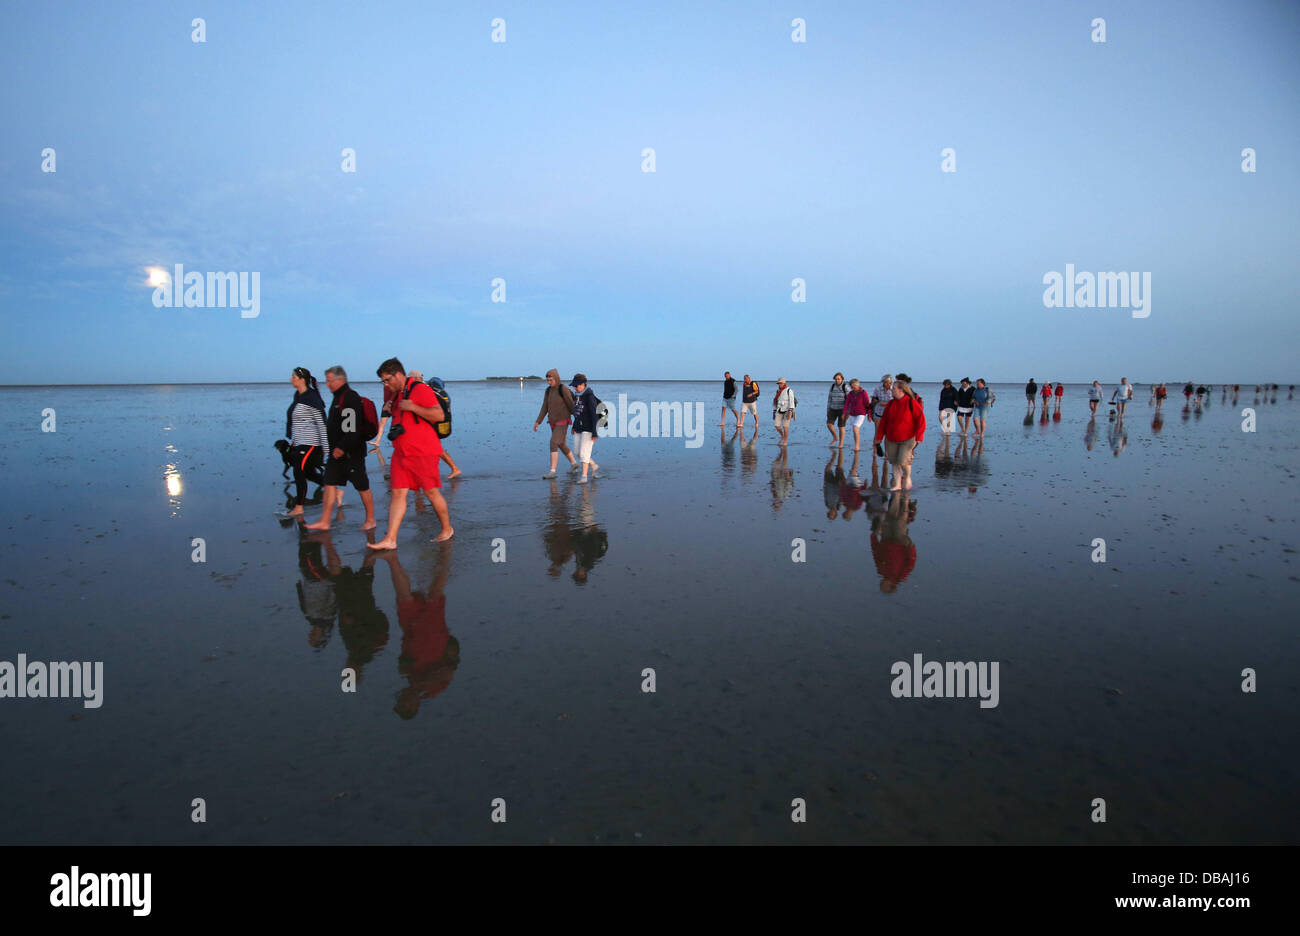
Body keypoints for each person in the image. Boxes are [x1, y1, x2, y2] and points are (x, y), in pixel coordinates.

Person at [368, 358, 453, 548]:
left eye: (387, 380)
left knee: (431, 492)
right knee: (398, 493)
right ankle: (390, 539)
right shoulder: (398, 394)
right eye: (383, 382)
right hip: (401, 452)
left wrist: (413, 407)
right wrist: (391, 407)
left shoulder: (420, 389)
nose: (386, 384)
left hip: (422, 451)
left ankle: (447, 529)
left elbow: (439, 415)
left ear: (398, 374)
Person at [304, 365, 376, 531]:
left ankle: (370, 519)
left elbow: (352, 429)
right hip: (336, 453)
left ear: (340, 380)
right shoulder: (338, 397)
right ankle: (325, 521)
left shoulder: (349, 397)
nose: (327, 384)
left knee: (362, 486)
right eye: (326, 381)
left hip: (351, 453)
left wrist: (342, 448)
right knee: (329, 483)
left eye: (330, 381)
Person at [283, 367, 329, 517]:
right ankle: (332, 490)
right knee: (309, 473)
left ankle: (299, 507)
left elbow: (322, 423)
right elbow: (300, 423)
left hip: (312, 444)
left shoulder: (311, 397)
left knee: (299, 471)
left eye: (293, 377)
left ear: (302, 379)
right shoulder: (298, 396)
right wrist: (294, 440)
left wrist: (326, 449)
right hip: (301, 442)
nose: (291, 379)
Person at [873, 374, 926, 491]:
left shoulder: (911, 402)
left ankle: (907, 477)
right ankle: (897, 484)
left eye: (894, 388)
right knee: (894, 461)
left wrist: (919, 437)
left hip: (908, 438)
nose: (891, 390)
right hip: (891, 438)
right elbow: (883, 423)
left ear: (901, 390)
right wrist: (879, 437)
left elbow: (921, 420)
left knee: (903, 461)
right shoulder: (891, 404)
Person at [409, 370, 461, 479]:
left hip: (431, 423)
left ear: (414, 378)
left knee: (433, 448)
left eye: (409, 378)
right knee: (432, 447)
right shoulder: (438, 391)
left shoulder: (423, 389)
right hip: (440, 423)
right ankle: (452, 468)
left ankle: (453, 468)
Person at [533, 368, 580, 478]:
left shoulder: (563, 389)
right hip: (552, 421)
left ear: (556, 378)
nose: (549, 382)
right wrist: (538, 421)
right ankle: (574, 464)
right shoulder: (548, 390)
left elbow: (571, 405)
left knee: (553, 442)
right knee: (561, 444)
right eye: (548, 380)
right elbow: (545, 406)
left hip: (563, 421)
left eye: (551, 380)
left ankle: (552, 472)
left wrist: (578, 421)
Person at [569, 373, 602, 483]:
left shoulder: (589, 397)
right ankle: (594, 465)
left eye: (576, 385)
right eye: (574, 386)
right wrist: (574, 426)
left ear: (583, 384)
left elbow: (595, 415)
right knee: (577, 452)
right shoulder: (577, 396)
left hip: (589, 428)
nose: (574, 387)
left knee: (584, 453)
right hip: (579, 427)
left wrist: (595, 433)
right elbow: (577, 413)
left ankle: (584, 477)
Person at [844, 378, 870, 450]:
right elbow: (847, 404)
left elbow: (867, 404)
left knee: (855, 427)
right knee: (854, 429)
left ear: (857, 385)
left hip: (861, 413)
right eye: (851, 387)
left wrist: (869, 415)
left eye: (853, 386)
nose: (852, 388)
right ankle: (856, 444)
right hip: (852, 414)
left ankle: (857, 446)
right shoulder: (850, 394)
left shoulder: (863, 393)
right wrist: (845, 413)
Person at [773, 377, 797, 446]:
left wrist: (790, 411)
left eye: (780, 383)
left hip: (787, 410)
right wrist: (774, 411)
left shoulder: (789, 390)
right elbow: (775, 401)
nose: (779, 384)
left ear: (784, 383)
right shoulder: (778, 391)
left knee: (785, 426)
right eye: (778, 383)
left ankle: (785, 441)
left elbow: (792, 401)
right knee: (777, 425)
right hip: (779, 409)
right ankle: (783, 436)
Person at [826, 372, 847, 447]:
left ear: (842, 379)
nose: (837, 380)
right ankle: (835, 437)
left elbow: (849, 400)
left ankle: (841, 444)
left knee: (841, 427)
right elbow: (829, 399)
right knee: (829, 424)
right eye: (836, 379)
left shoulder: (845, 387)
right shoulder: (832, 386)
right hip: (833, 408)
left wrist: (847, 412)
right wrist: (828, 410)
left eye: (839, 379)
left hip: (842, 409)